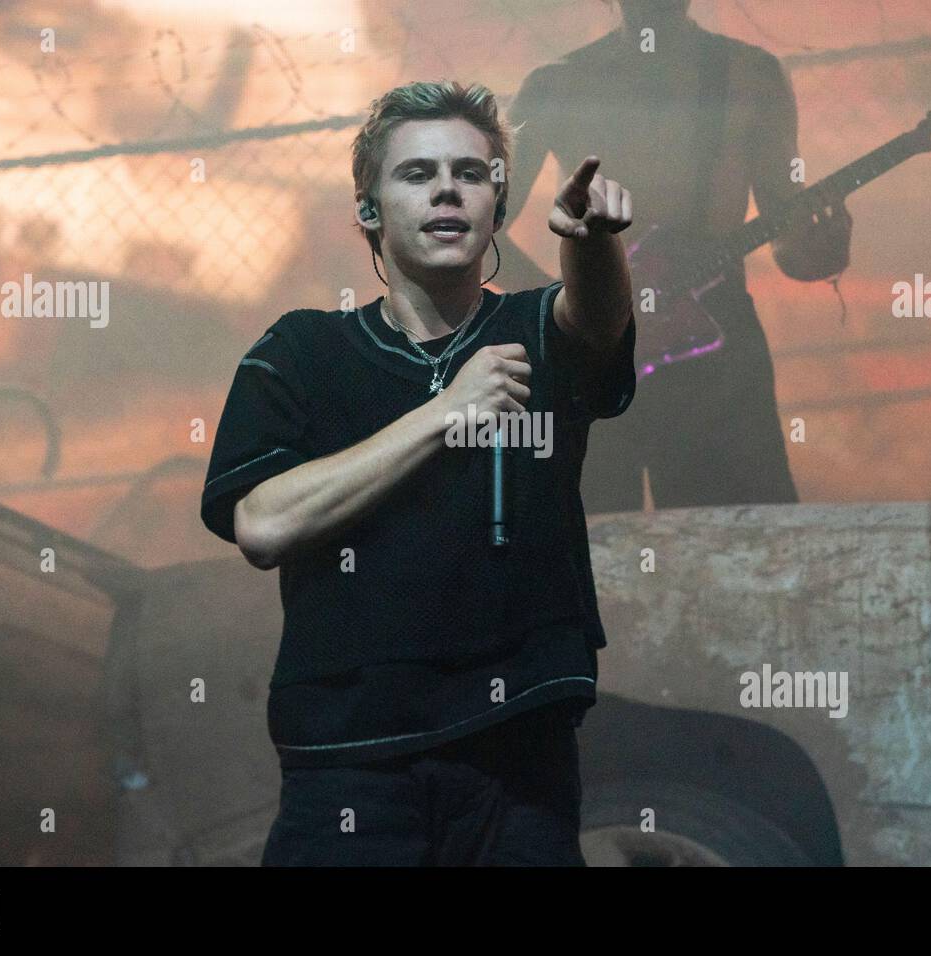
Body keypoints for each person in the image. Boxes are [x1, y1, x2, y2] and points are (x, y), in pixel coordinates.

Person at [200, 80, 637, 865]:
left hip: (516, 754)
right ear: (368, 209)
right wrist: (445, 413)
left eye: (472, 175)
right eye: (417, 174)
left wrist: (590, 241)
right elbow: (262, 523)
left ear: (498, 209)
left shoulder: (532, 328)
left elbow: (597, 323)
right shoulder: (302, 351)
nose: (447, 189)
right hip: (347, 760)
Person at [497, 0, 852, 511]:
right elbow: (482, 231)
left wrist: (825, 250)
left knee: (741, 551)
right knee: (591, 555)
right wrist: (568, 306)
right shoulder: (555, 84)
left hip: (716, 350)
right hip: (591, 353)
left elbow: (788, 242)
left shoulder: (753, 76)